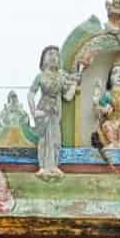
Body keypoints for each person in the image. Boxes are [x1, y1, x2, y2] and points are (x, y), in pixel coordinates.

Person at [27, 45, 82, 176]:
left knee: (56, 139)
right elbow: (31, 93)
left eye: (56, 54)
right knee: (44, 139)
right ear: (43, 60)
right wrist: (34, 111)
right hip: (43, 111)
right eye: (49, 54)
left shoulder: (62, 76)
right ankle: (43, 166)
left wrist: (74, 84)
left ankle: (54, 166)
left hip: (56, 113)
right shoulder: (40, 76)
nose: (53, 57)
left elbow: (68, 96)